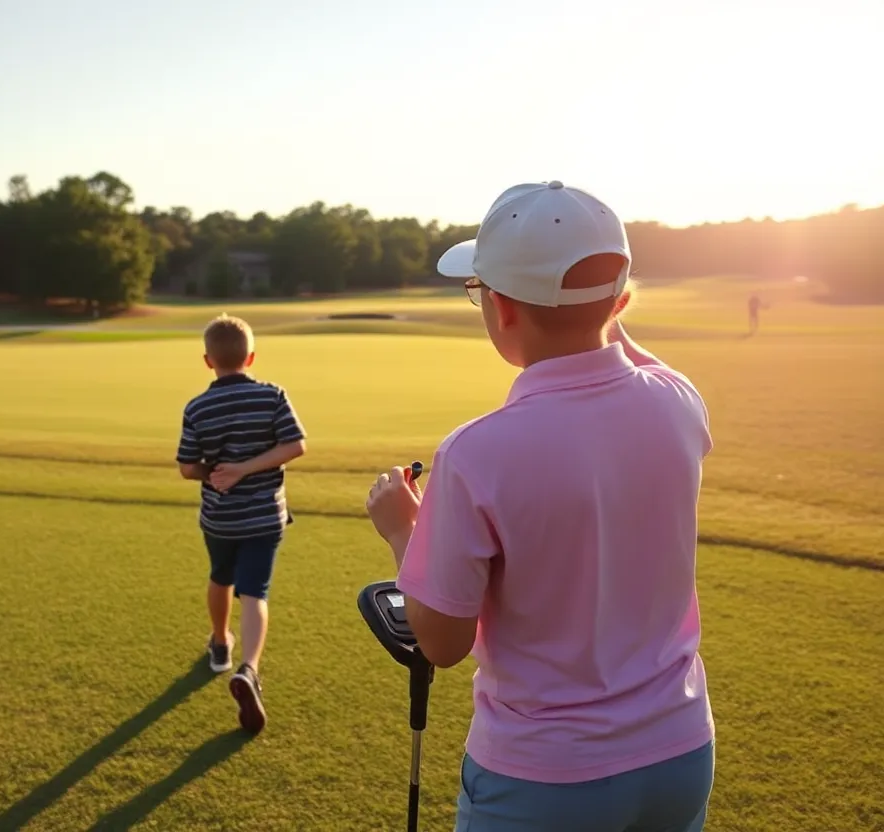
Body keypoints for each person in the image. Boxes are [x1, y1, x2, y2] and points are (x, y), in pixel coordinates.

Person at [365, 181, 716, 832]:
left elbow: (441, 642)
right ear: (621, 300)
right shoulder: (678, 402)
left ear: (500, 309)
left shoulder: (474, 454)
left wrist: (402, 530)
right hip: (680, 751)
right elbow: (628, 353)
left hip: (543, 779)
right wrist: (599, 302)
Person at [175, 314, 307, 734]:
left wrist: (221, 471)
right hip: (265, 515)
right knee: (256, 593)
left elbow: (186, 467)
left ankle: (219, 645)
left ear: (208, 361)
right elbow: (295, 445)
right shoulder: (272, 396)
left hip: (220, 517)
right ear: (250, 356)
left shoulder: (197, 407)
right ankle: (249, 669)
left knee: (221, 577)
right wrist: (249, 467)